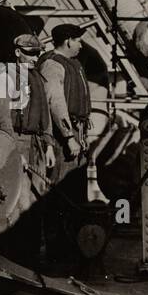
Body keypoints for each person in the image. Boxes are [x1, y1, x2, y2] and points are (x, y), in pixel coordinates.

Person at [36, 22, 93, 269]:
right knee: (59, 198)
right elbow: (55, 101)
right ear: (68, 41)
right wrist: (69, 137)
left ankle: (71, 251)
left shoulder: (74, 65)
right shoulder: (53, 65)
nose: (81, 44)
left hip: (76, 137)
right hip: (63, 141)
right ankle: (56, 254)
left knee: (74, 198)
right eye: (78, 40)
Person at [0, 31, 54, 259]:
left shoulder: (36, 78)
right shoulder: (6, 77)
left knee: (38, 199)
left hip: (37, 143)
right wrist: (15, 151)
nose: (34, 59)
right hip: (15, 141)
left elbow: (45, 115)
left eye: (37, 54)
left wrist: (48, 145)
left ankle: (33, 254)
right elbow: (4, 119)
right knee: (21, 201)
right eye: (29, 54)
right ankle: (17, 256)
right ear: (18, 53)